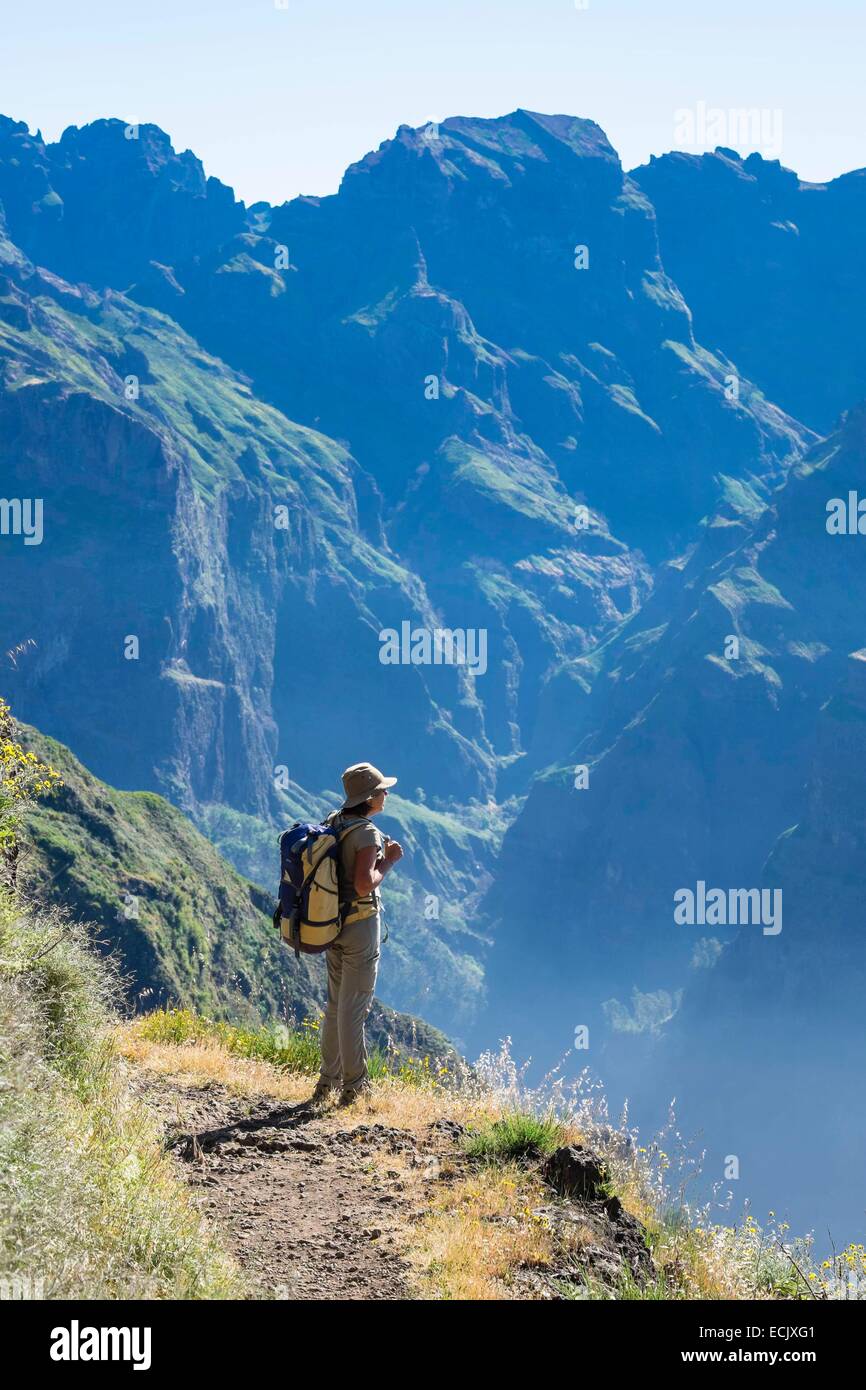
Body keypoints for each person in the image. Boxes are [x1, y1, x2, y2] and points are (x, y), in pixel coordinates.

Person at [310, 762, 403, 1107]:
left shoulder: (334, 821)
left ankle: (327, 1082)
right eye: (382, 790)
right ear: (370, 798)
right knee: (354, 1009)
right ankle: (355, 1088)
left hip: (332, 924)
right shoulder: (366, 833)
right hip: (360, 928)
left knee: (336, 1006)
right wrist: (389, 860)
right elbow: (365, 883)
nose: (387, 794)